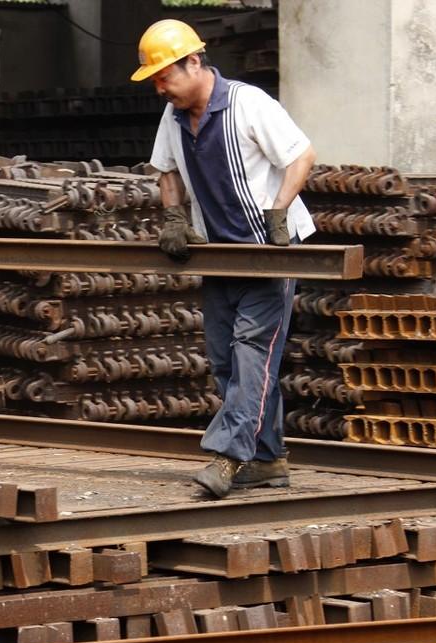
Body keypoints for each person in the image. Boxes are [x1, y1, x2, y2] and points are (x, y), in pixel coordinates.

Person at [131, 19, 317, 498]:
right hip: (219, 254)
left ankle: (229, 458)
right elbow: (165, 170)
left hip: (268, 252)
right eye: (154, 80)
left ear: (194, 62)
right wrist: (174, 219)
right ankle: (268, 460)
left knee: (253, 350)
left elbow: (302, 156)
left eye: (164, 76)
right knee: (225, 359)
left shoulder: (248, 104)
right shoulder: (172, 117)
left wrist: (279, 214)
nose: (160, 88)